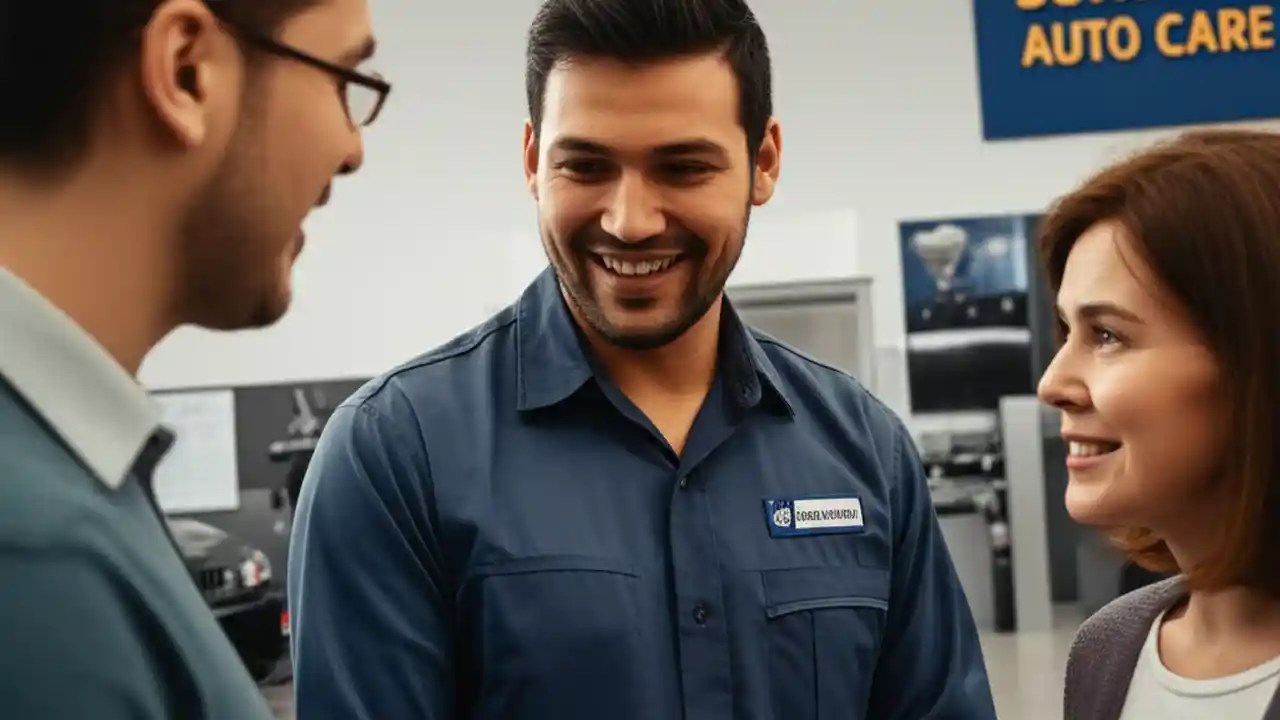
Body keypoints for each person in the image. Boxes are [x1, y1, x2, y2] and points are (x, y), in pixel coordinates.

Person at [288, 0, 996, 718]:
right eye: (586, 166)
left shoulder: (866, 451)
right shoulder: (396, 458)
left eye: (683, 168)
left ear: (763, 162)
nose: (630, 222)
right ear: (533, 161)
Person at [0, 0, 385, 717]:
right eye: (343, 80)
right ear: (186, 71)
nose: (352, 148)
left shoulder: (70, 482)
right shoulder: (34, 557)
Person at [1037, 129, 1280, 719]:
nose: (1052, 384)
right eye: (1067, 332)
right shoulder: (1108, 650)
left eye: (1107, 335)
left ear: (1256, 359)